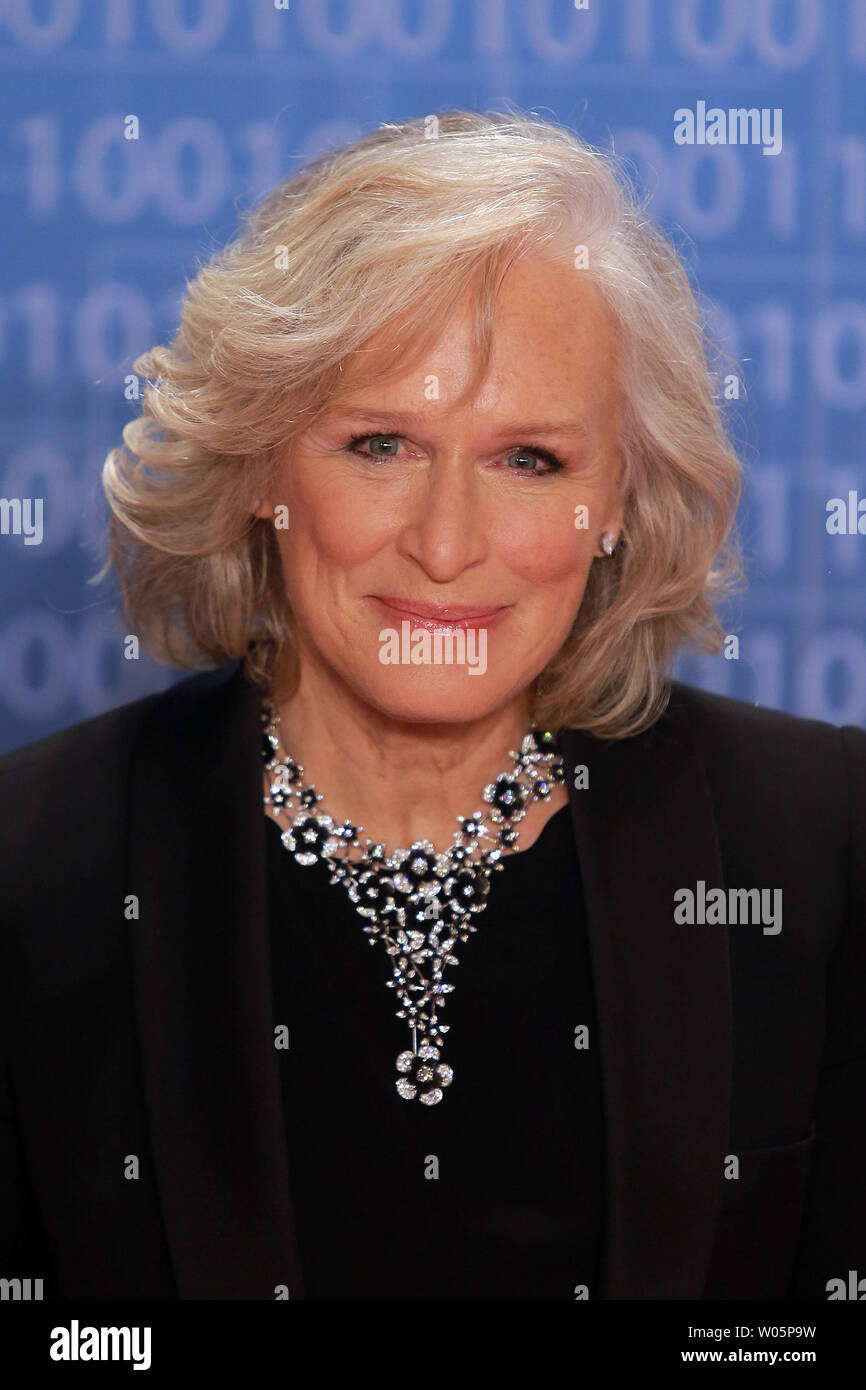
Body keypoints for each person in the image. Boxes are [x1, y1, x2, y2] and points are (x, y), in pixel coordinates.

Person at [1, 109, 863, 1301]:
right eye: (379, 444)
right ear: (259, 465)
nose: (446, 545)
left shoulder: (822, 842)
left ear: (619, 496)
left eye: (529, 461)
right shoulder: (34, 863)